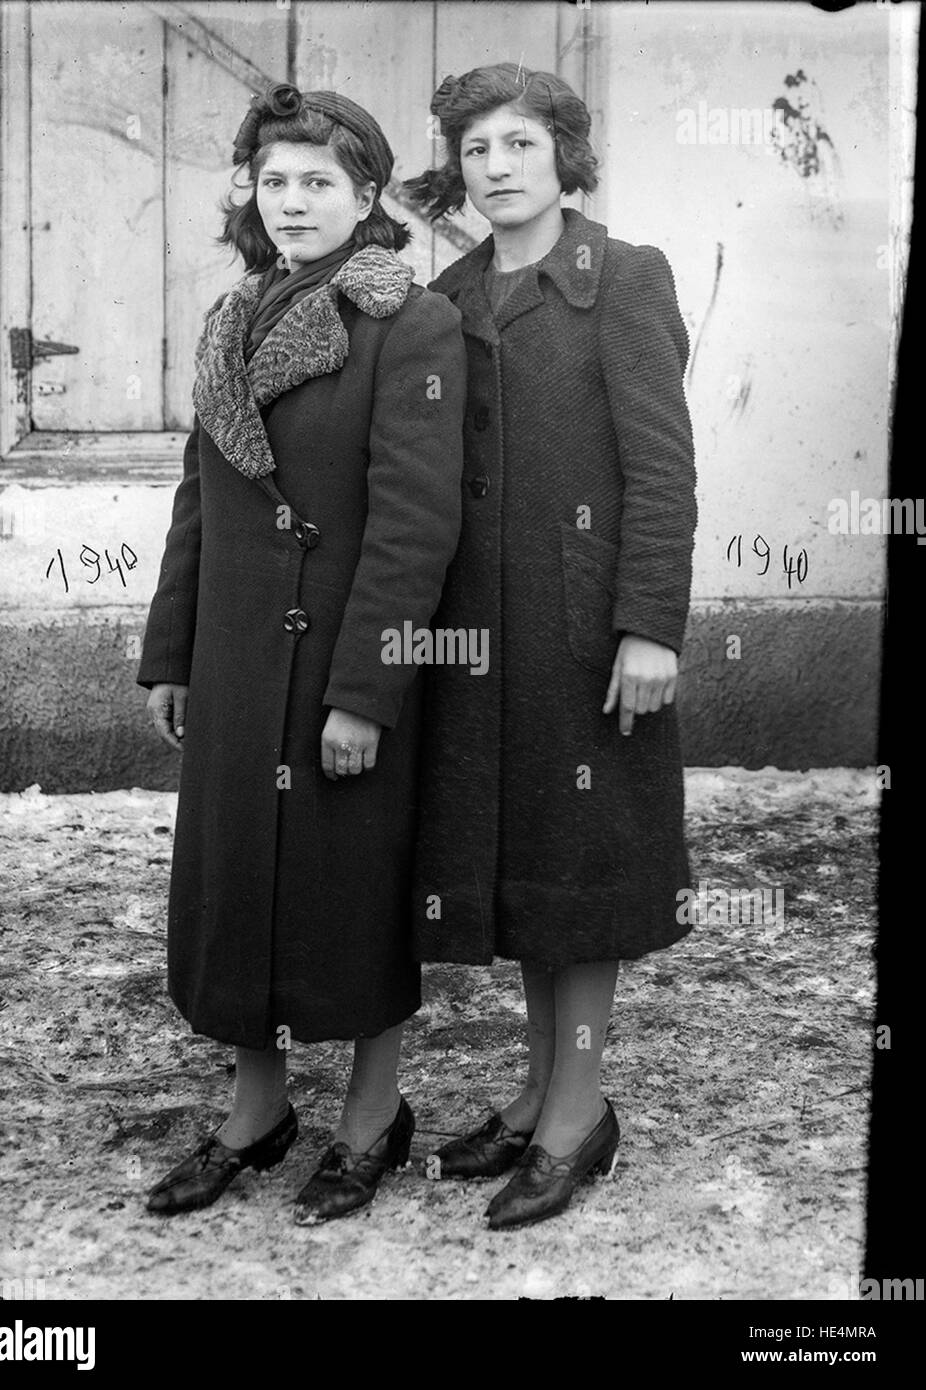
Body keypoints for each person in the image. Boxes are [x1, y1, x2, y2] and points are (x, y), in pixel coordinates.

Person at [137, 81, 465, 1223]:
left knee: (351, 892)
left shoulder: (407, 323)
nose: (291, 201)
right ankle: (256, 1110)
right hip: (237, 664)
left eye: (317, 182)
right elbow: (200, 499)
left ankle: (372, 1117)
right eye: (273, 180)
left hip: (338, 666)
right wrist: (172, 650)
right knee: (239, 890)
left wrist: (366, 693)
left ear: (367, 196)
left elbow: (417, 523)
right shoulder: (237, 315)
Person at [405, 62, 698, 1230]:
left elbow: (663, 469)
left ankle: (580, 1117)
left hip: (588, 641)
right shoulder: (454, 292)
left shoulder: (621, 279)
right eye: (476, 150)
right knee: (528, 871)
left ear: (563, 155)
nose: (498, 169)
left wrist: (648, 627)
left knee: (586, 874)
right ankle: (536, 1094)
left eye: (520, 144)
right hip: (485, 648)